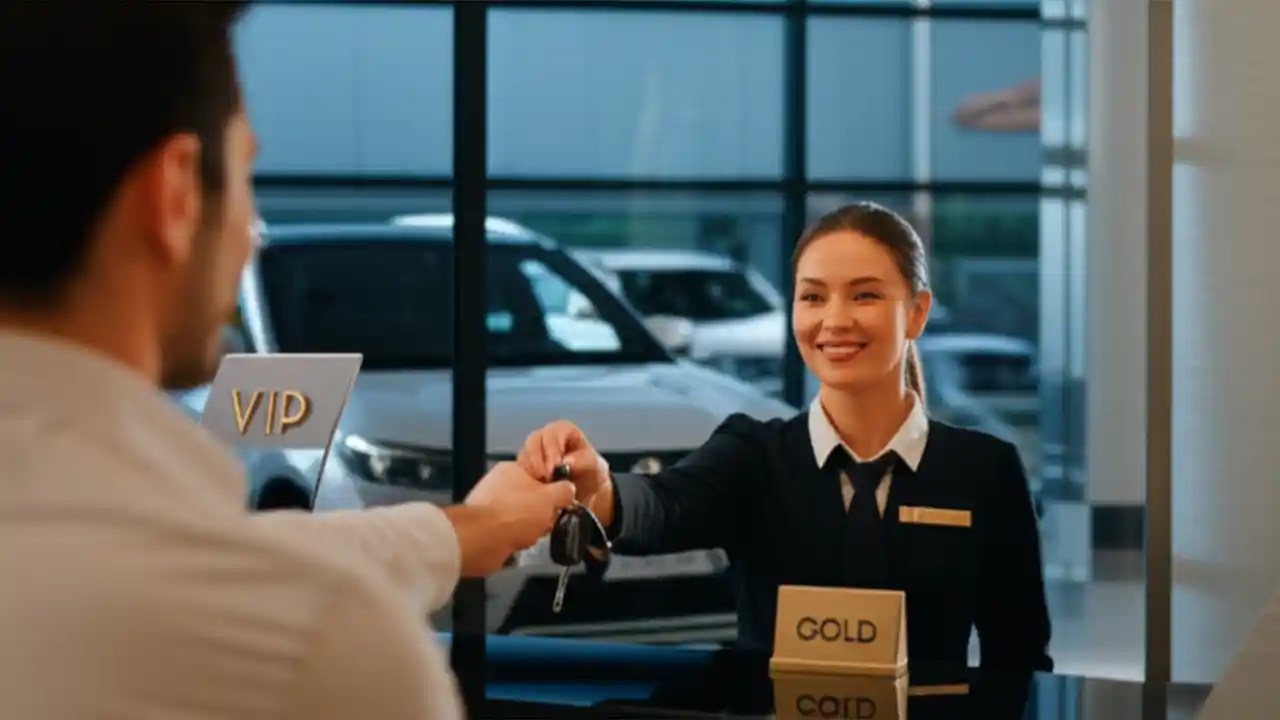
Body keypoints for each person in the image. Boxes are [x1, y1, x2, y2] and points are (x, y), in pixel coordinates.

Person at [0, 4, 573, 718]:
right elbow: (251, 577)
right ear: (175, 195)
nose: (252, 232)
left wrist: (468, 529)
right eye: (246, 175)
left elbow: (227, 554)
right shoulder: (317, 651)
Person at [518, 201, 1053, 670]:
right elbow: (663, 505)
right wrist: (598, 488)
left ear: (916, 313)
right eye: (813, 297)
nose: (834, 320)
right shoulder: (754, 455)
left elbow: (1021, 655)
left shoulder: (984, 471)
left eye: (864, 296)